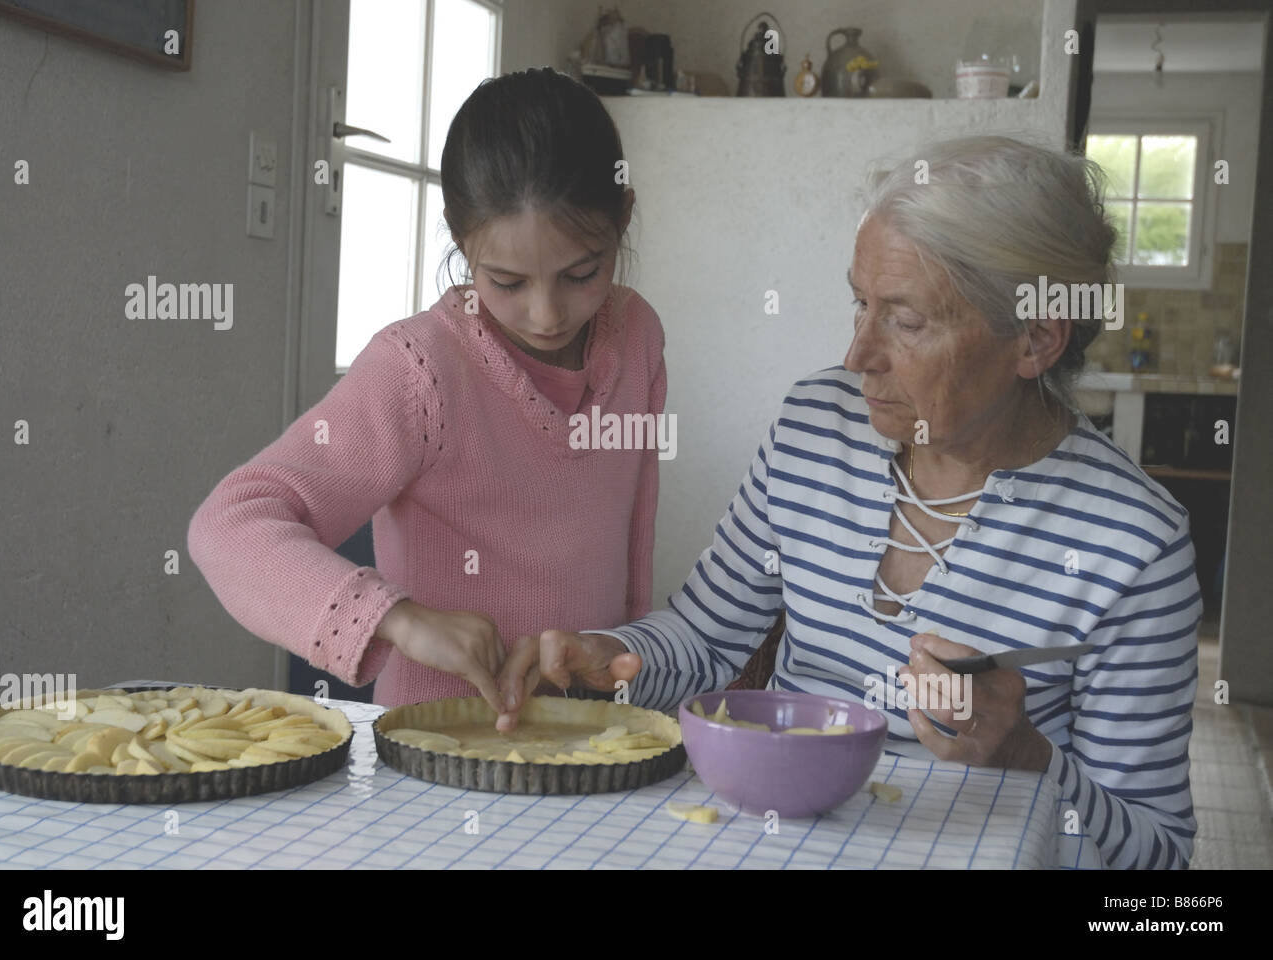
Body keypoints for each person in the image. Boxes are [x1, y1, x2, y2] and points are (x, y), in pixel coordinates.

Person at [499, 136, 1201, 870]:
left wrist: (1023, 753)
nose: (857, 354)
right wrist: (613, 653)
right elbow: (706, 640)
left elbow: (1157, 864)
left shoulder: (1134, 543)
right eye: (859, 303)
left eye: (905, 320)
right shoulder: (816, 426)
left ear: (1034, 339)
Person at [188, 68, 666, 719]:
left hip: (596, 735)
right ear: (460, 239)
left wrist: (632, 678)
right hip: (437, 748)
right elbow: (228, 525)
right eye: (507, 281)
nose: (548, 314)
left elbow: (633, 546)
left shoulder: (636, 335)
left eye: (583, 273)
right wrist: (400, 618)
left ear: (624, 219)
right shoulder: (421, 373)